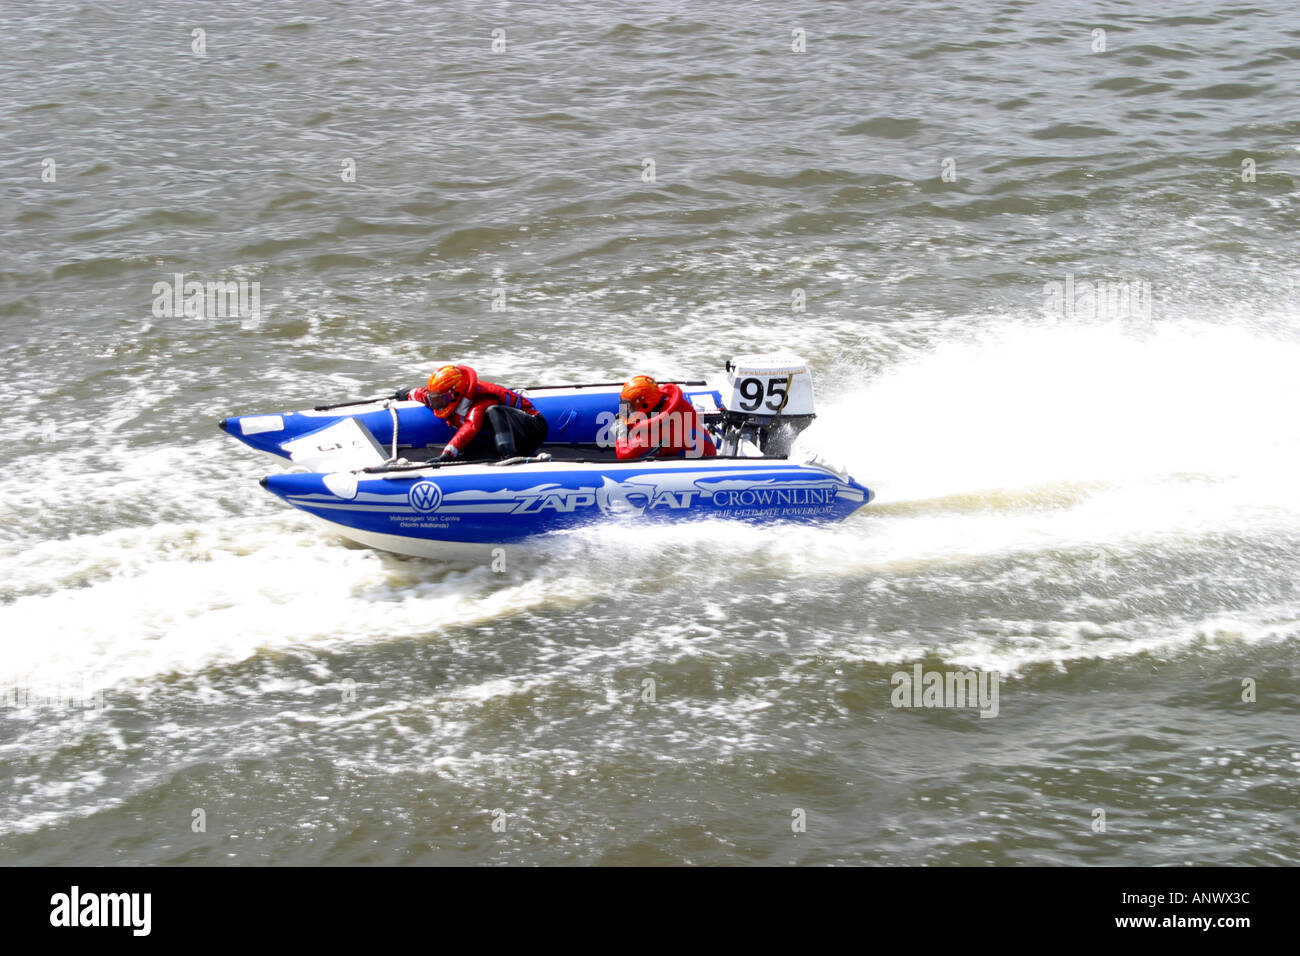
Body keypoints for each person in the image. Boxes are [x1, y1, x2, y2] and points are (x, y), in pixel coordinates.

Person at [395, 365, 547, 462]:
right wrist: (408, 393)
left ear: (455, 394)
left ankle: (510, 459)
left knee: (493, 411)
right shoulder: (443, 398)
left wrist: (446, 455)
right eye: (434, 398)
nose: (436, 403)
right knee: (466, 457)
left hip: (532, 430)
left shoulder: (480, 399)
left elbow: (471, 426)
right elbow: (425, 395)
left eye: (439, 399)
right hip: (500, 436)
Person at [615, 375, 717, 461]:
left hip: (696, 466)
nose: (628, 410)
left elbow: (623, 455)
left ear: (646, 405)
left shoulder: (650, 437)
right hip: (704, 448)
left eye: (631, 407)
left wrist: (621, 431)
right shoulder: (679, 404)